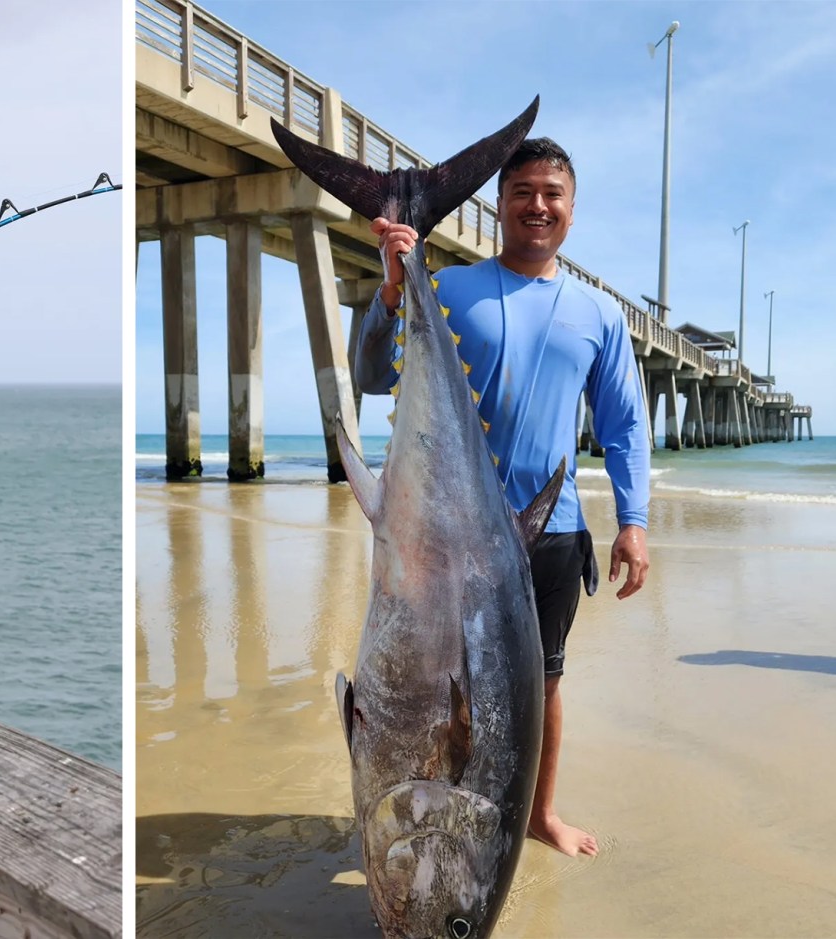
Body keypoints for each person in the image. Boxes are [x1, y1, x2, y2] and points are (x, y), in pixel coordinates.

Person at [354, 138, 651, 857]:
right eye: (523, 191)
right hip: (440, 528)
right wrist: (393, 288)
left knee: (538, 682)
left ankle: (538, 814)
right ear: (499, 204)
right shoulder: (449, 288)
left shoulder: (599, 314)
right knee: (426, 682)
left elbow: (623, 425)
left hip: (548, 531)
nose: (537, 205)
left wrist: (633, 520)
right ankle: (406, 795)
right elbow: (370, 374)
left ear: (572, 210)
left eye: (552, 194)